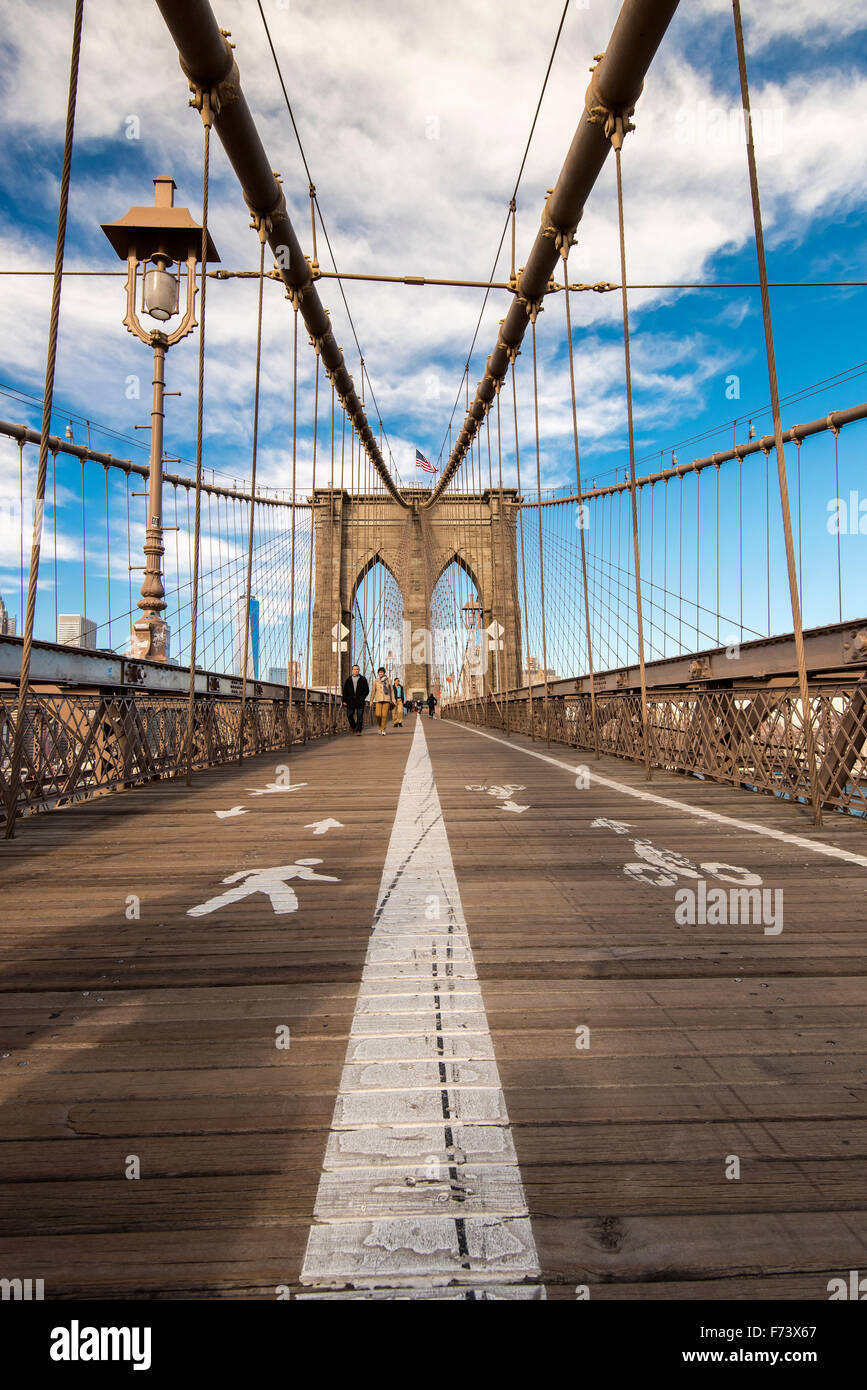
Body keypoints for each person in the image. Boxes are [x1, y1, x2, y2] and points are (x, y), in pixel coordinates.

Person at [342, 663, 369, 736]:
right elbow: (345, 691)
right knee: (349, 715)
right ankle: (353, 726)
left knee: (360, 717)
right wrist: (344, 700)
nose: (356, 670)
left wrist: (362, 697)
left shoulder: (363, 679)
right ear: (352, 670)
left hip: (360, 701)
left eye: (357, 669)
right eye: (354, 669)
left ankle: (358, 731)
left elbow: (366, 690)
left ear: (359, 670)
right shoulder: (348, 680)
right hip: (350, 701)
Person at [370, 667, 395, 735]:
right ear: (378, 673)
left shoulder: (388, 680)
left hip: (386, 699)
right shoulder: (376, 681)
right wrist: (371, 700)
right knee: (378, 714)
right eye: (379, 672)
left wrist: (393, 700)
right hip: (378, 700)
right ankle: (380, 726)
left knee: (384, 715)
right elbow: (373, 691)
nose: (380, 673)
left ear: (384, 673)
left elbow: (391, 691)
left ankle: (383, 729)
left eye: (382, 672)